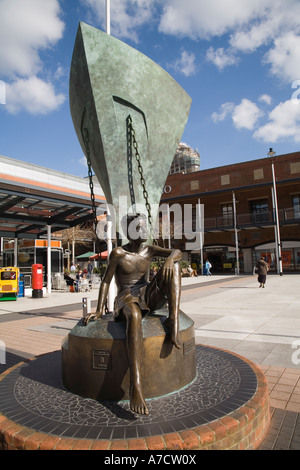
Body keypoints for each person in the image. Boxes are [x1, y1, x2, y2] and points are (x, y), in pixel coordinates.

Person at [84, 213, 182, 415]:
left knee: (176, 266)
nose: (143, 231)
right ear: (128, 231)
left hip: (147, 293)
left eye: (145, 227)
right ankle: (135, 385)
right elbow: (105, 281)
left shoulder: (150, 250)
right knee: (135, 316)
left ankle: (173, 321)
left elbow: (177, 251)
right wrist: (99, 310)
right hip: (125, 297)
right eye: (138, 228)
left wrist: (170, 260)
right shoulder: (118, 254)